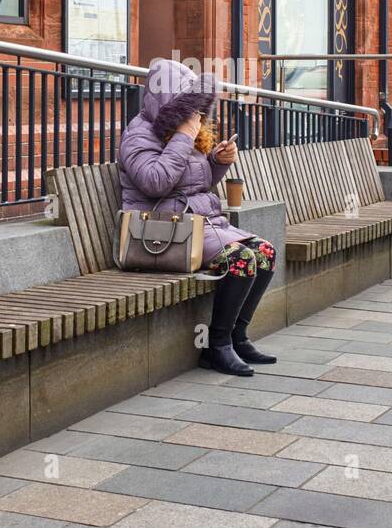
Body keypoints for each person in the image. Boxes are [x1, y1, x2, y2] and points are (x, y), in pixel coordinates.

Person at [117, 59, 278, 377]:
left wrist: (217, 161)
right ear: (169, 105)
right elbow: (155, 181)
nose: (197, 115)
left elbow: (196, 184)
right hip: (159, 235)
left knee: (265, 253)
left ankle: (237, 336)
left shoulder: (182, 133)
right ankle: (216, 347)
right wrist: (184, 137)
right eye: (189, 107)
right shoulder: (138, 136)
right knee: (241, 259)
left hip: (195, 227)